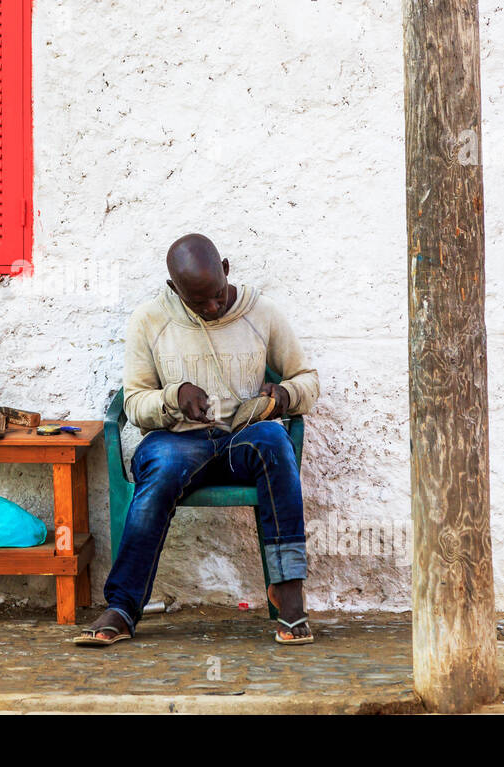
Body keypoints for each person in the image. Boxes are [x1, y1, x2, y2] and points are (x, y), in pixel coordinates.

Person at [73, 234, 320, 648]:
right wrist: (173, 397)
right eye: (198, 301)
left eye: (217, 296)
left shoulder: (262, 312)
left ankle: (288, 591)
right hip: (176, 441)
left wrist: (284, 396)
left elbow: (306, 380)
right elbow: (133, 403)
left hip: (242, 436)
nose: (211, 307)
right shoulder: (150, 319)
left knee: (274, 446)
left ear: (226, 269)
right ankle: (123, 606)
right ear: (175, 289)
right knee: (161, 473)